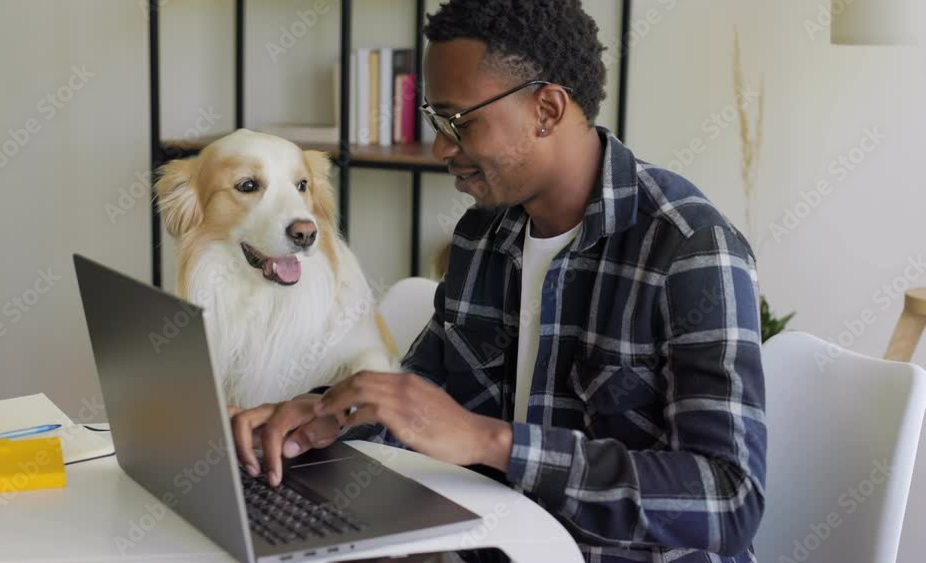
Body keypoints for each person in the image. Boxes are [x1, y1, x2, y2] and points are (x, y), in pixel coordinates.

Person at [231, 1, 767, 561]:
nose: (442, 147)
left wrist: (493, 441)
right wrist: (321, 417)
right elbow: (422, 398)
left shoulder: (690, 249)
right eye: (438, 123)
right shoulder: (482, 235)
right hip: (492, 544)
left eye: (460, 122)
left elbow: (730, 499)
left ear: (547, 110)